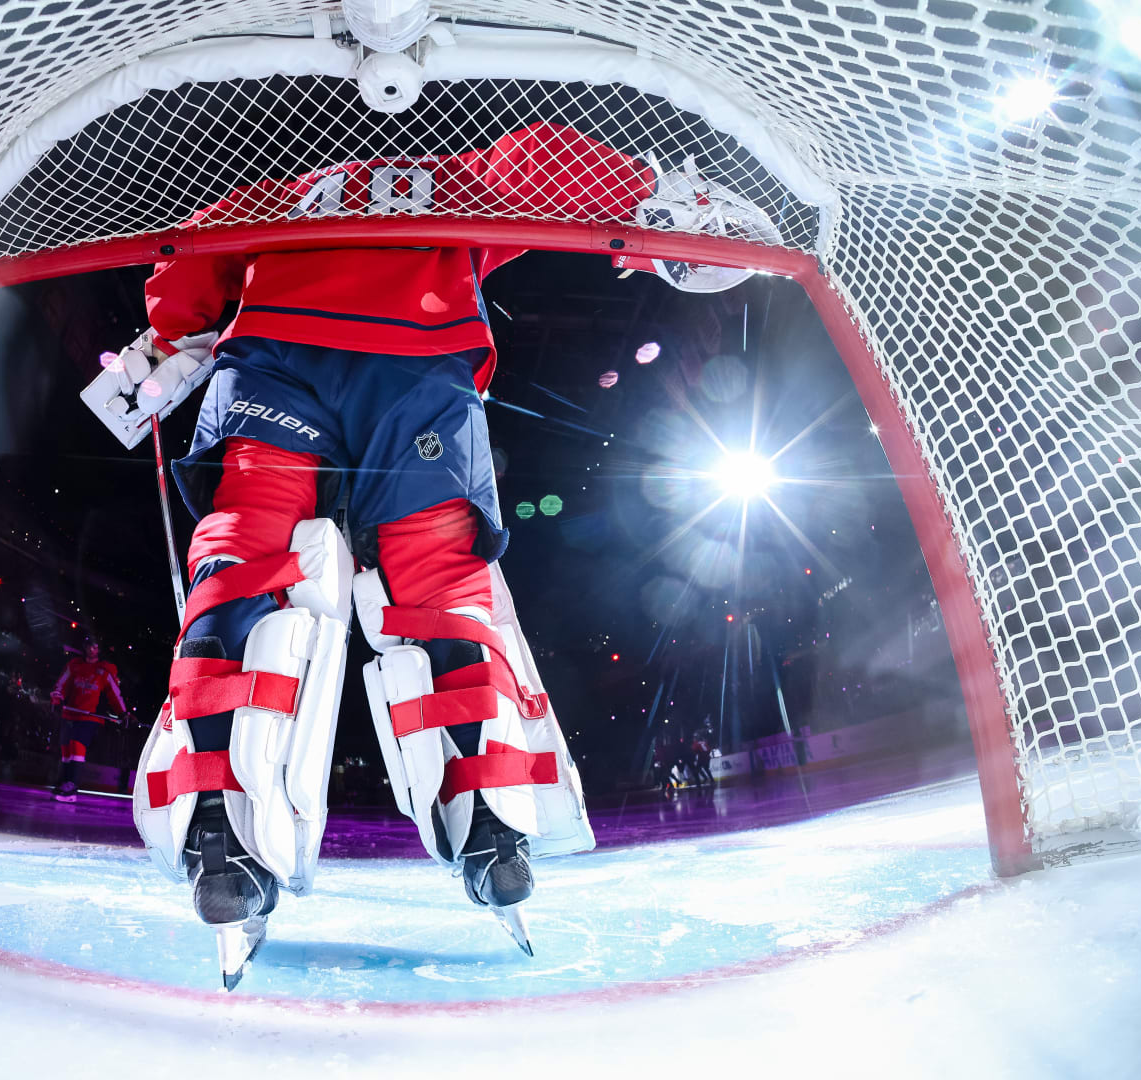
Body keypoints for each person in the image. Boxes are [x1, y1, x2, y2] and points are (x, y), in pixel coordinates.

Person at [119, 122, 759, 985]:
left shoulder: (283, 194)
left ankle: (217, 831)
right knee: (436, 583)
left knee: (246, 561)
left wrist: (174, 337)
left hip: (275, 363)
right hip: (416, 367)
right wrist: (654, 205)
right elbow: (545, 165)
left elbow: (188, 262)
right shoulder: (457, 176)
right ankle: (489, 825)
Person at [49, 636, 131, 802]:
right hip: (69, 714)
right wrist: (57, 700)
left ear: (99, 650)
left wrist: (123, 713)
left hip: (89, 717)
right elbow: (60, 685)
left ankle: (72, 786)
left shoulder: (104, 670)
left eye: (95, 647)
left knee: (77, 746)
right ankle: (64, 782)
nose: (91, 649)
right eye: (89, 646)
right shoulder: (74, 665)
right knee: (66, 750)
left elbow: (114, 694)